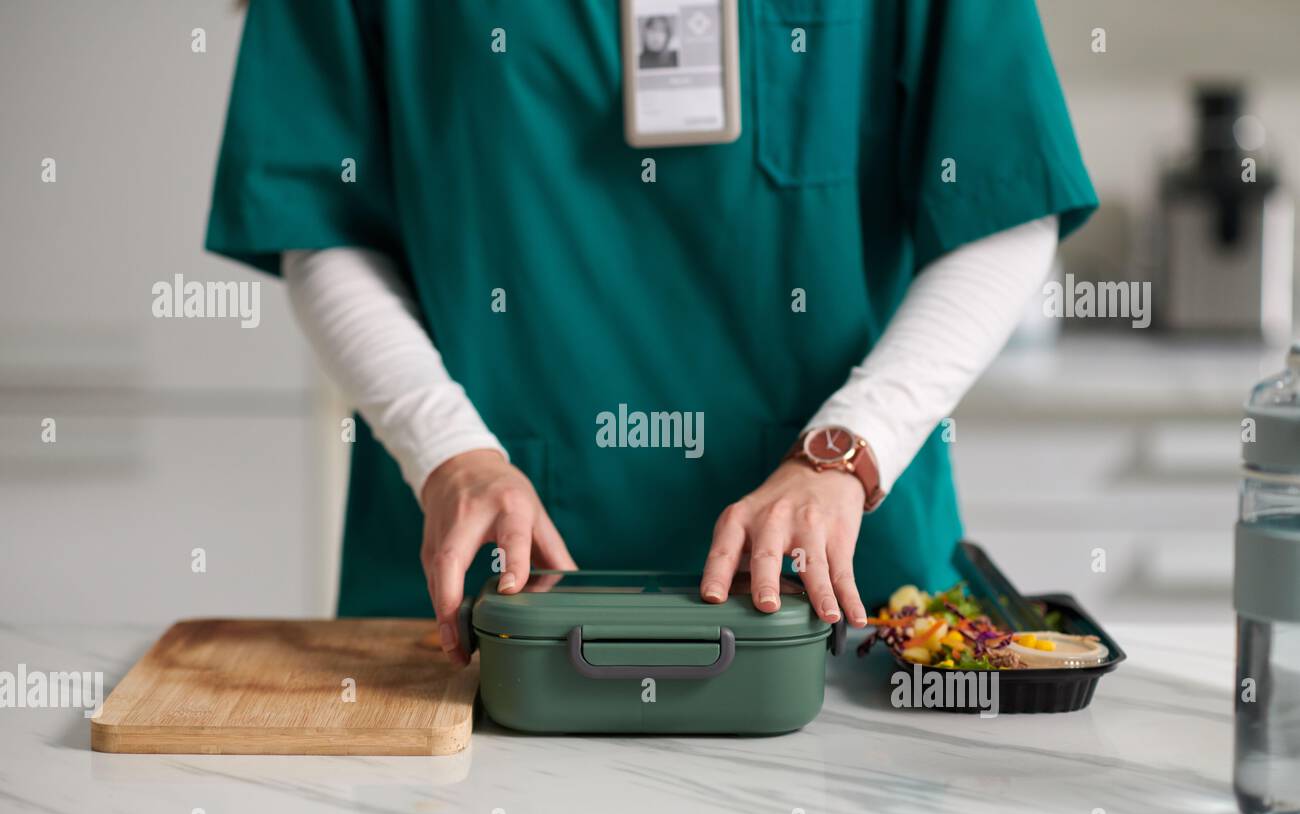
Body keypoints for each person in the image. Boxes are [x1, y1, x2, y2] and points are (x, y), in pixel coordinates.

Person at [206, 1, 1096, 665]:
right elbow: (319, 218)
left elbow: (1003, 201)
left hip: (839, 595)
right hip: (481, 614)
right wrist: (446, 448)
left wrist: (846, 450)